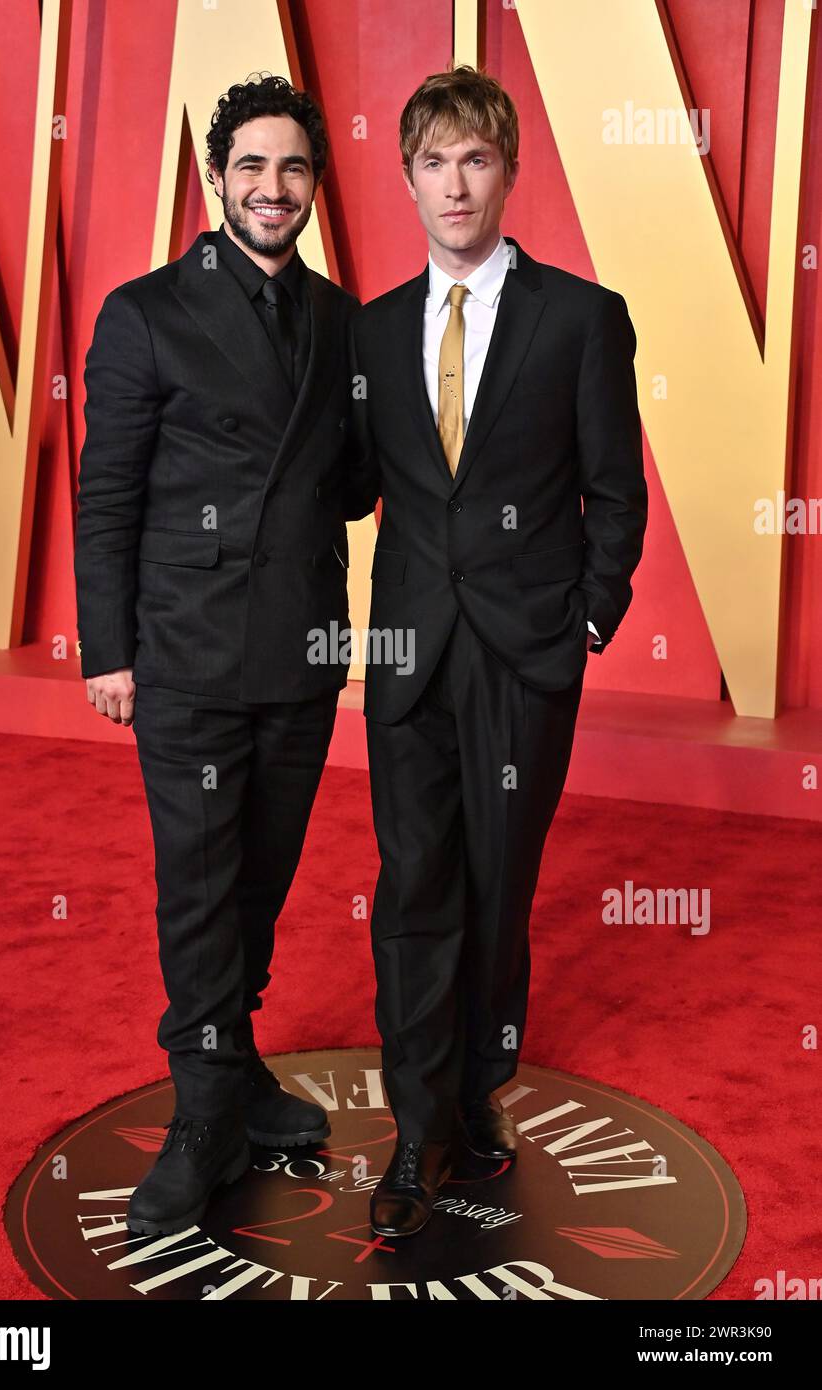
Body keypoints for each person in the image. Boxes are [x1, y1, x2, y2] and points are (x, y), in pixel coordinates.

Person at [350, 65, 648, 1237]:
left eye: (475, 158)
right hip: (409, 653)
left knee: (497, 887)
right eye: (432, 161)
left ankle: (475, 1092)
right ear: (409, 177)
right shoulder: (370, 329)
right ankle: (415, 1129)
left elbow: (613, 491)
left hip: (527, 654)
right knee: (412, 887)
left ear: (507, 170)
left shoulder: (579, 315)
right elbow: (360, 482)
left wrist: (587, 615)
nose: (454, 182)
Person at [74, 73, 367, 1237]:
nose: (272, 186)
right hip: (185, 652)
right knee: (199, 889)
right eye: (251, 165)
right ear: (215, 178)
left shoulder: (342, 317)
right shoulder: (143, 311)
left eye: (293, 168)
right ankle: (202, 1114)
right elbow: (107, 497)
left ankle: (232, 1058)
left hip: (299, 651)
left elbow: (350, 482)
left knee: (260, 877)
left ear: (313, 186)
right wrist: (108, 648)